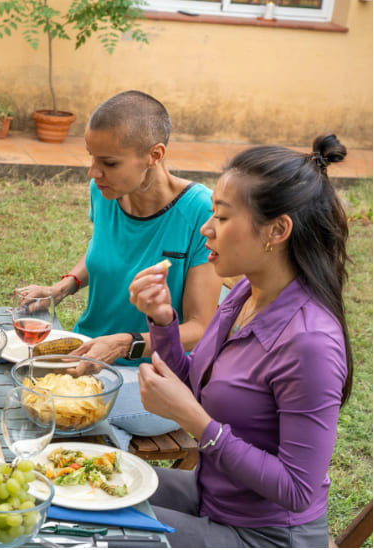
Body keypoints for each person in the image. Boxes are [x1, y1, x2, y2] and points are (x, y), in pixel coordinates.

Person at [130, 134, 352, 547]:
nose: (206, 228)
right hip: (212, 496)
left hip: (265, 535)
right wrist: (162, 320)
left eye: (222, 216)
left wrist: (197, 424)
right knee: (94, 483)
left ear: (277, 230)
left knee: (103, 529)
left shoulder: (311, 343)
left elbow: (298, 488)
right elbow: (196, 384)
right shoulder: (244, 295)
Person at [18, 91, 221, 448]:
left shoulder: (200, 211)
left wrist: (126, 344)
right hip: (87, 354)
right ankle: (110, 445)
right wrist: (62, 287)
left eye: (109, 162)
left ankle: (104, 445)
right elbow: (105, 251)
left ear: (154, 155)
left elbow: (200, 328)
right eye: (91, 157)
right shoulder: (105, 191)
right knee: (16, 382)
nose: (93, 172)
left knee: (53, 408)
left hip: (156, 377)